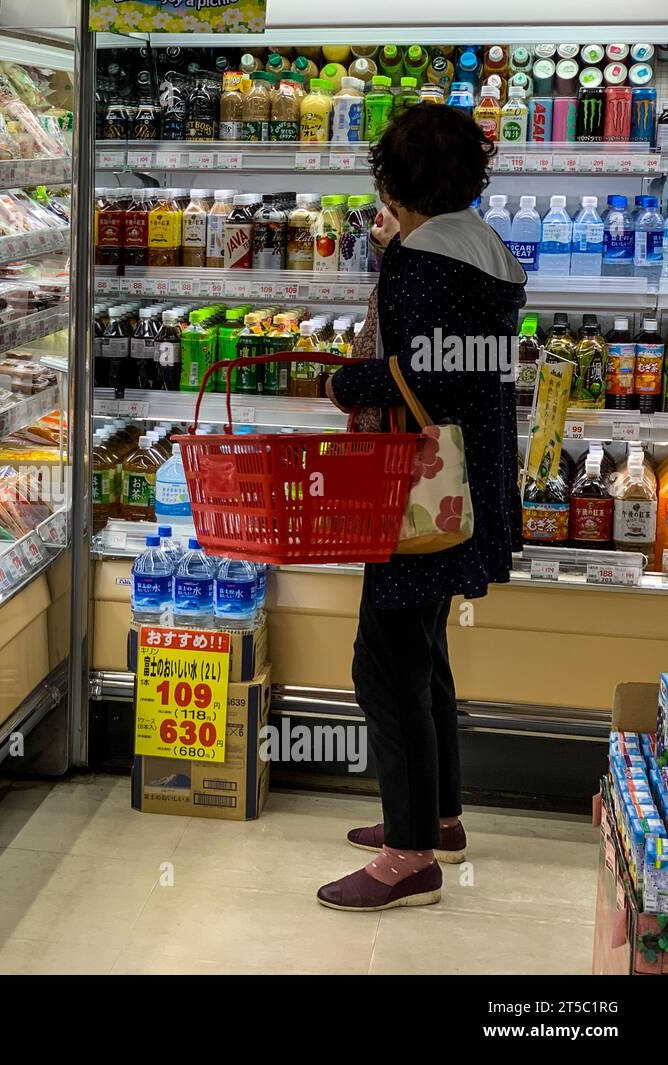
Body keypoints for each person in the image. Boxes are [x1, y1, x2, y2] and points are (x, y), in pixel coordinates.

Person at [319, 103, 525, 912]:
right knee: (425, 653)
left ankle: (409, 855)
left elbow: (425, 376)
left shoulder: (422, 262)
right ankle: (437, 817)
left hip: (422, 491)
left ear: (394, 181)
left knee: (384, 663)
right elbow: (462, 361)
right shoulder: (482, 248)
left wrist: (348, 381)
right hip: (466, 480)